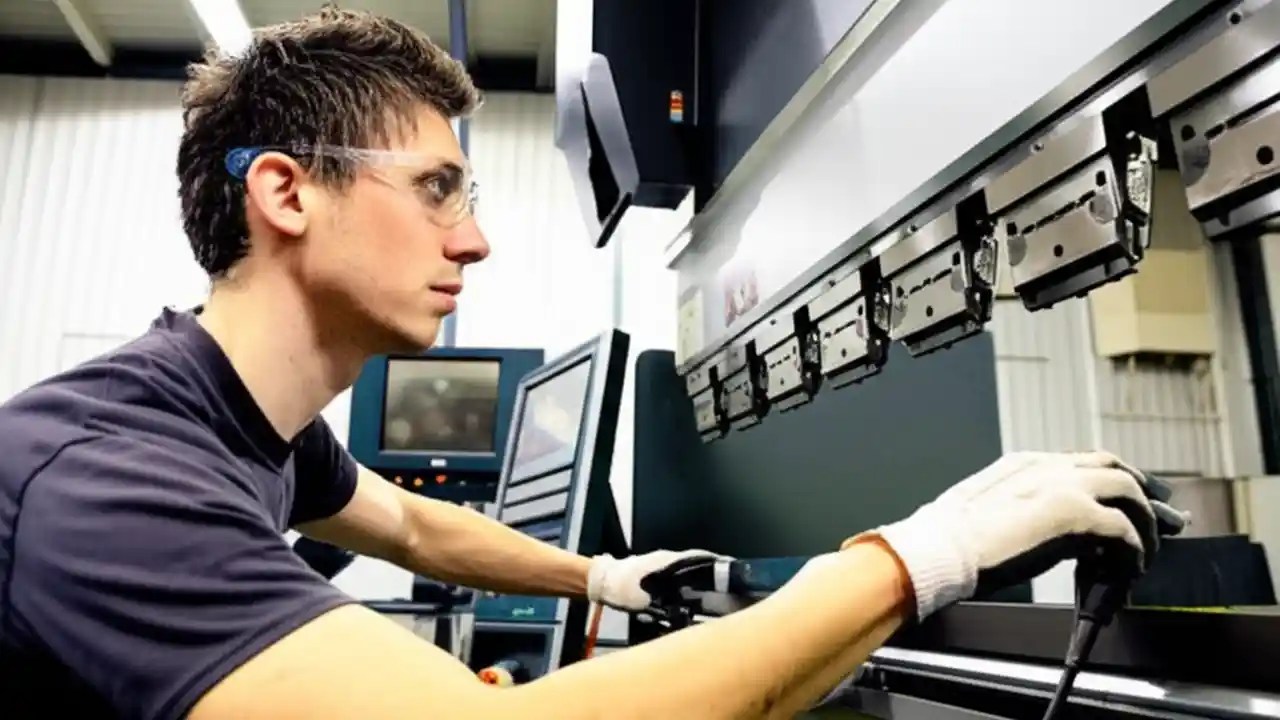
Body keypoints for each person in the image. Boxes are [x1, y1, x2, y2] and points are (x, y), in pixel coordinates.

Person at [0, 8, 1175, 720]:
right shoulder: (113, 480)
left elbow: (412, 529)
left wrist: (599, 581)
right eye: (435, 189)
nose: (473, 236)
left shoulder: (243, 423)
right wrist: (925, 556)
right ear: (284, 193)